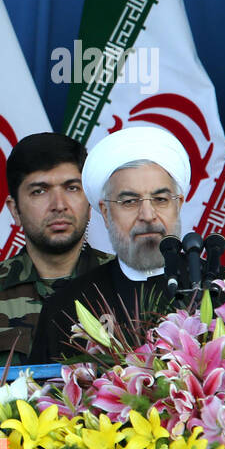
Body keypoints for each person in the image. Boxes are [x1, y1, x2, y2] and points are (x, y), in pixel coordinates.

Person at [0, 133, 113, 370]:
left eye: (72, 188)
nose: (59, 204)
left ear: (89, 202)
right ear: (14, 209)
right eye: (39, 191)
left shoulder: (124, 282)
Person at [28, 127, 189, 363]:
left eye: (161, 199)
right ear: (105, 212)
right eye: (130, 201)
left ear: (179, 205)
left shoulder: (218, 291)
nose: (147, 215)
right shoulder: (68, 306)